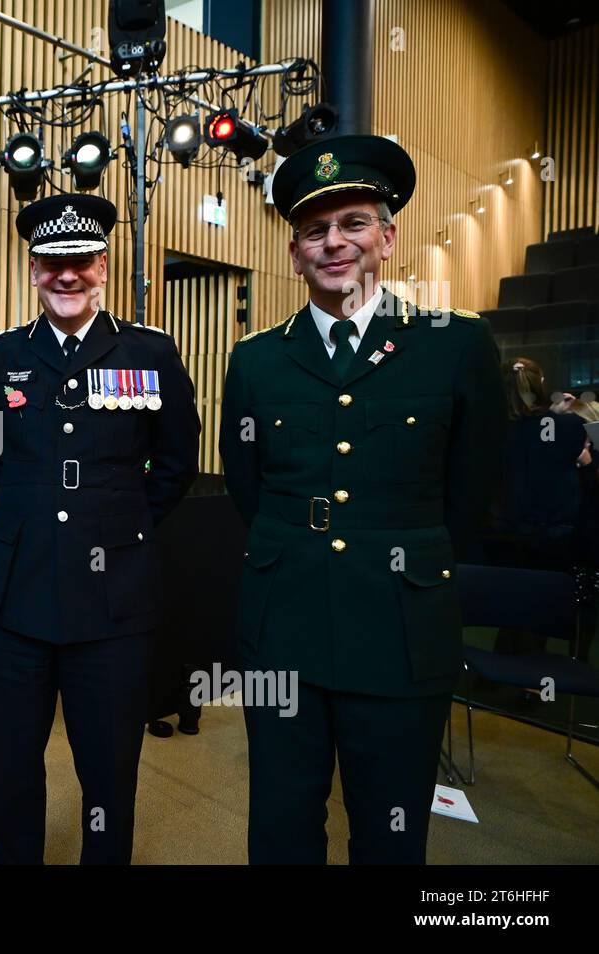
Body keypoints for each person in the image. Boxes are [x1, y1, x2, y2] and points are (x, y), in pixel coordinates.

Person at [219, 135, 507, 864]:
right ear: (294, 252)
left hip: (401, 627)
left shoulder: (454, 345)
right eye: (316, 230)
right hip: (282, 624)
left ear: (388, 235)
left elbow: (473, 492)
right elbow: (249, 486)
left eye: (353, 223)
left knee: (390, 831)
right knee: (281, 828)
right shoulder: (255, 360)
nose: (335, 242)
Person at [0, 193, 201, 864]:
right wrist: (30, 515)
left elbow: (177, 460)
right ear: (33, 269)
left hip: (114, 597)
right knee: (10, 763)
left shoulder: (149, 352)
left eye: (81, 263)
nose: (66, 276)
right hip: (16, 590)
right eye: (50, 263)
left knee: (108, 765)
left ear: (103, 266)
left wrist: (123, 527)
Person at [493, 357, 590, 570]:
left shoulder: (487, 429)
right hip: (556, 529)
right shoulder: (572, 425)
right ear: (541, 382)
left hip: (501, 530)